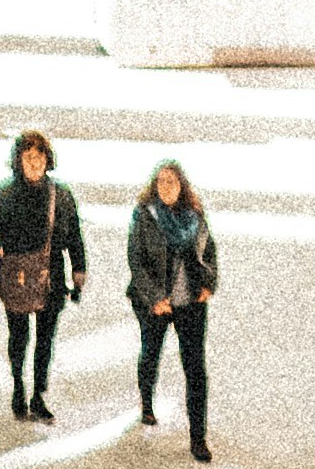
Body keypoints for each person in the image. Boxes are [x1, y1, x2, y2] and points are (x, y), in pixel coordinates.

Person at [0, 134, 82, 423]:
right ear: (18, 160)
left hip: (51, 275)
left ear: (48, 159)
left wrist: (78, 269)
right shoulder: (4, 194)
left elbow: (74, 235)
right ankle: (18, 385)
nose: (34, 162)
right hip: (15, 275)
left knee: (45, 338)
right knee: (19, 336)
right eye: (28, 157)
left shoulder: (61, 195)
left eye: (39, 156)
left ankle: (38, 394)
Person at [126, 160, 214, 457]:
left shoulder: (195, 215)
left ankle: (198, 437)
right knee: (150, 354)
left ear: (182, 186)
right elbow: (136, 260)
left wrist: (208, 284)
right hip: (155, 303)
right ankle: (146, 402)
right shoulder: (144, 215)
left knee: (195, 369)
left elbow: (209, 251)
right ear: (154, 186)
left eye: (172, 181)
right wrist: (155, 298)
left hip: (190, 301)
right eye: (161, 181)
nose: (166, 187)